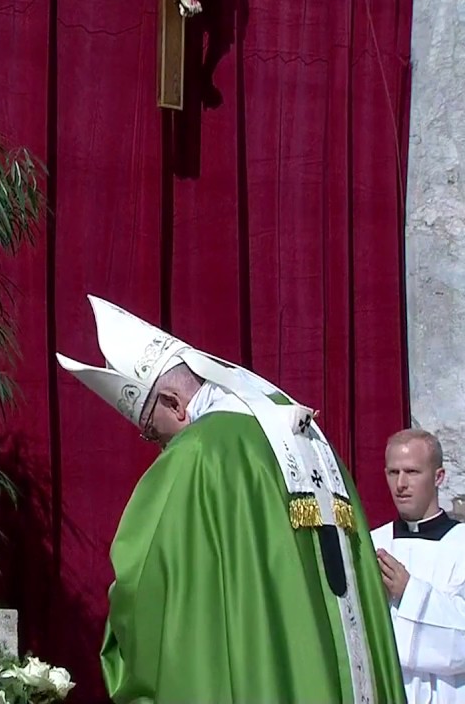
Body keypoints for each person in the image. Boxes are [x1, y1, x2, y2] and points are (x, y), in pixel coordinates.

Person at [56, 294, 405, 704]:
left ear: (174, 403)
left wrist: (122, 640)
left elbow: (146, 581)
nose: (158, 445)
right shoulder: (309, 436)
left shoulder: (201, 451)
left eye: (152, 431)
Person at [371, 429, 465, 704]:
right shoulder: (371, 545)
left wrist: (412, 593)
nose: (401, 483)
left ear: (439, 477)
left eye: (412, 472)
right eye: (393, 472)